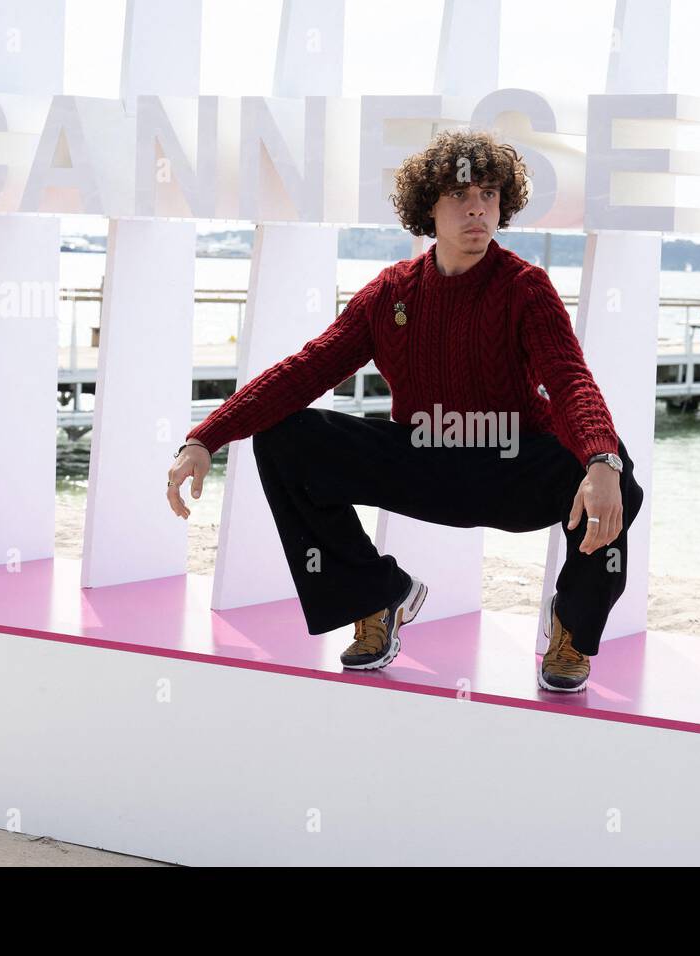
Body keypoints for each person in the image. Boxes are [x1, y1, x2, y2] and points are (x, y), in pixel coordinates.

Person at [166, 128, 644, 693]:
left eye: (489, 195)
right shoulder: (391, 292)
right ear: (428, 208)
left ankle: (573, 628)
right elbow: (307, 369)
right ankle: (377, 595)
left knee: (617, 475)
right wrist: (204, 438)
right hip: (425, 457)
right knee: (285, 439)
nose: (476, 209)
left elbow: (568, 381)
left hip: (512, 465)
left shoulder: (526, 288)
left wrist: (600, 460)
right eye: (460, 196)